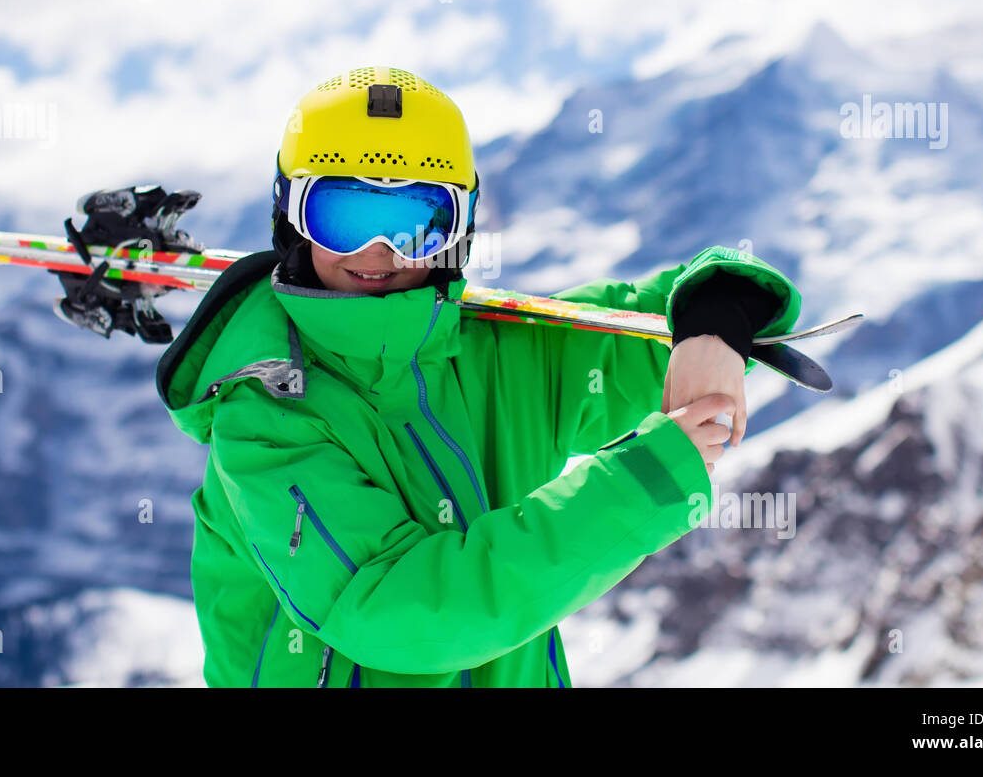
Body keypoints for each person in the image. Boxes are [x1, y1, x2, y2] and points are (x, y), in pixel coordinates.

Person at [156, 65, 801, 687]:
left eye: (417, 223)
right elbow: (401, 608)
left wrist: (715, 315)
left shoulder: (495, 351)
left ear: (458, 231)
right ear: (292, 218)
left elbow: (634, 334)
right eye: (345, 215)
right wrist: (637, 485)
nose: (379, 251)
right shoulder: (263, 420)